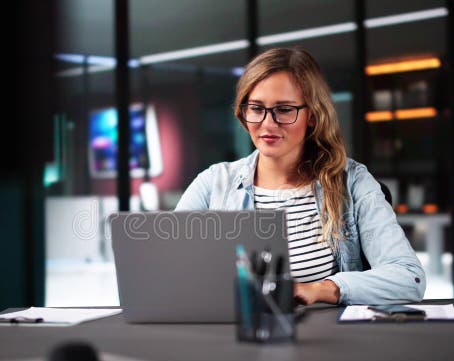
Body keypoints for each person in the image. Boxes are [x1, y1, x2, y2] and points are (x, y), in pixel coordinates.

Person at [175, 47, 425, 306]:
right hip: (232, 336)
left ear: (313, 116)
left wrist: (320, 290)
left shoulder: (353, 182)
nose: (268, 124)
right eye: (256, 108)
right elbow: (171, 271)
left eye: (284, 109)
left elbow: (409, 278)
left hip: (328, 341)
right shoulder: (213, 183)